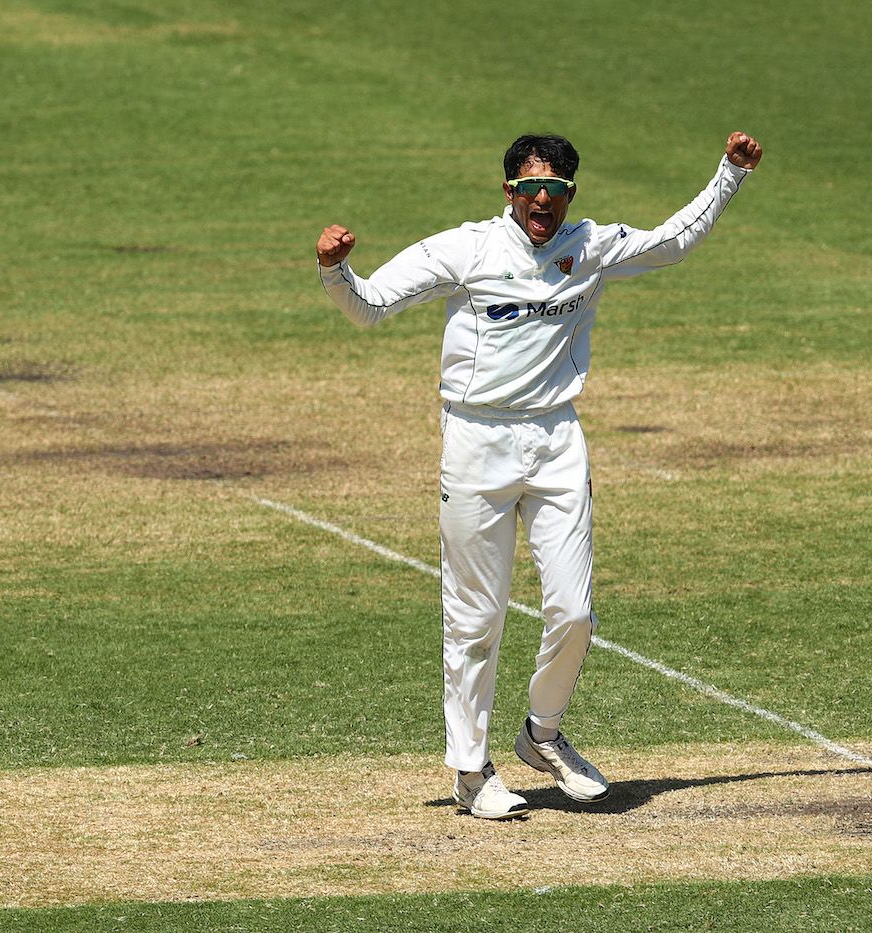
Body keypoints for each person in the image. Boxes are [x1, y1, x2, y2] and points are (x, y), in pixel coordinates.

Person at [316, 130, 762, 819]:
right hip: (475, 440)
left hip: (556, 438)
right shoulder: (464, 249)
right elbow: (371, 305)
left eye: (555, 192)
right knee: (475, 617)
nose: (542, 204)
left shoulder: (590, 245)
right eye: (530, 190)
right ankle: (470, 771)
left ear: (569, 196)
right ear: (509, 193)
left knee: (574, 610)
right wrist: (335, 270)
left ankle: (542, 733)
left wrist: (729, 173)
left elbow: (674, 241)